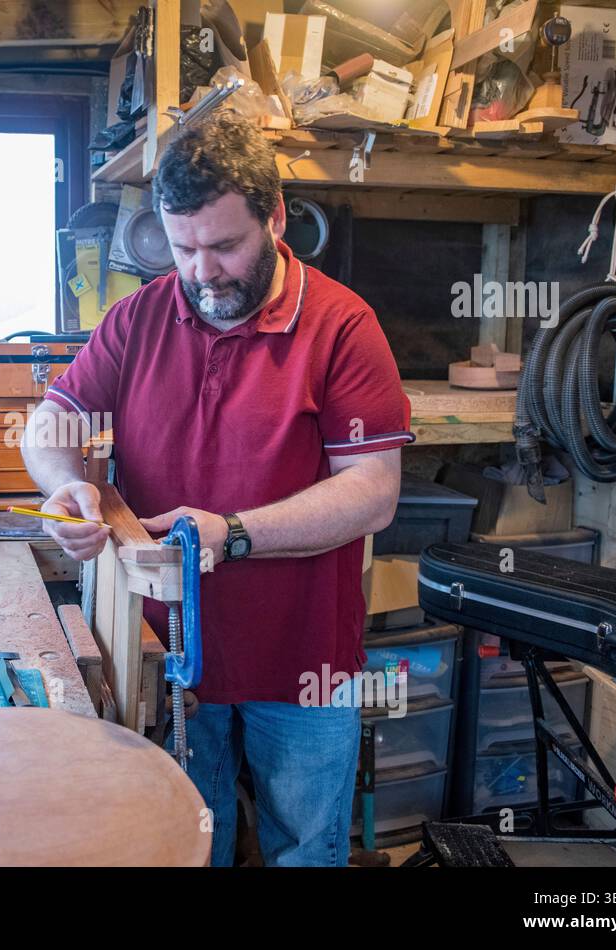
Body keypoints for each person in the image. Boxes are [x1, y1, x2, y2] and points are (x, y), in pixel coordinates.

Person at [20, 114, 413, 867]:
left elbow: (373, 492)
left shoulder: (341, 327)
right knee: (189, 846)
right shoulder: (138, 317)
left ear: (275, 219)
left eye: (226, 246)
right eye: (184, 247)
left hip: (303, 660)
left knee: (305, 852)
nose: (202, 272)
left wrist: (230, 532)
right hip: (172, 659)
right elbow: (52, 420)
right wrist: (68, 488)